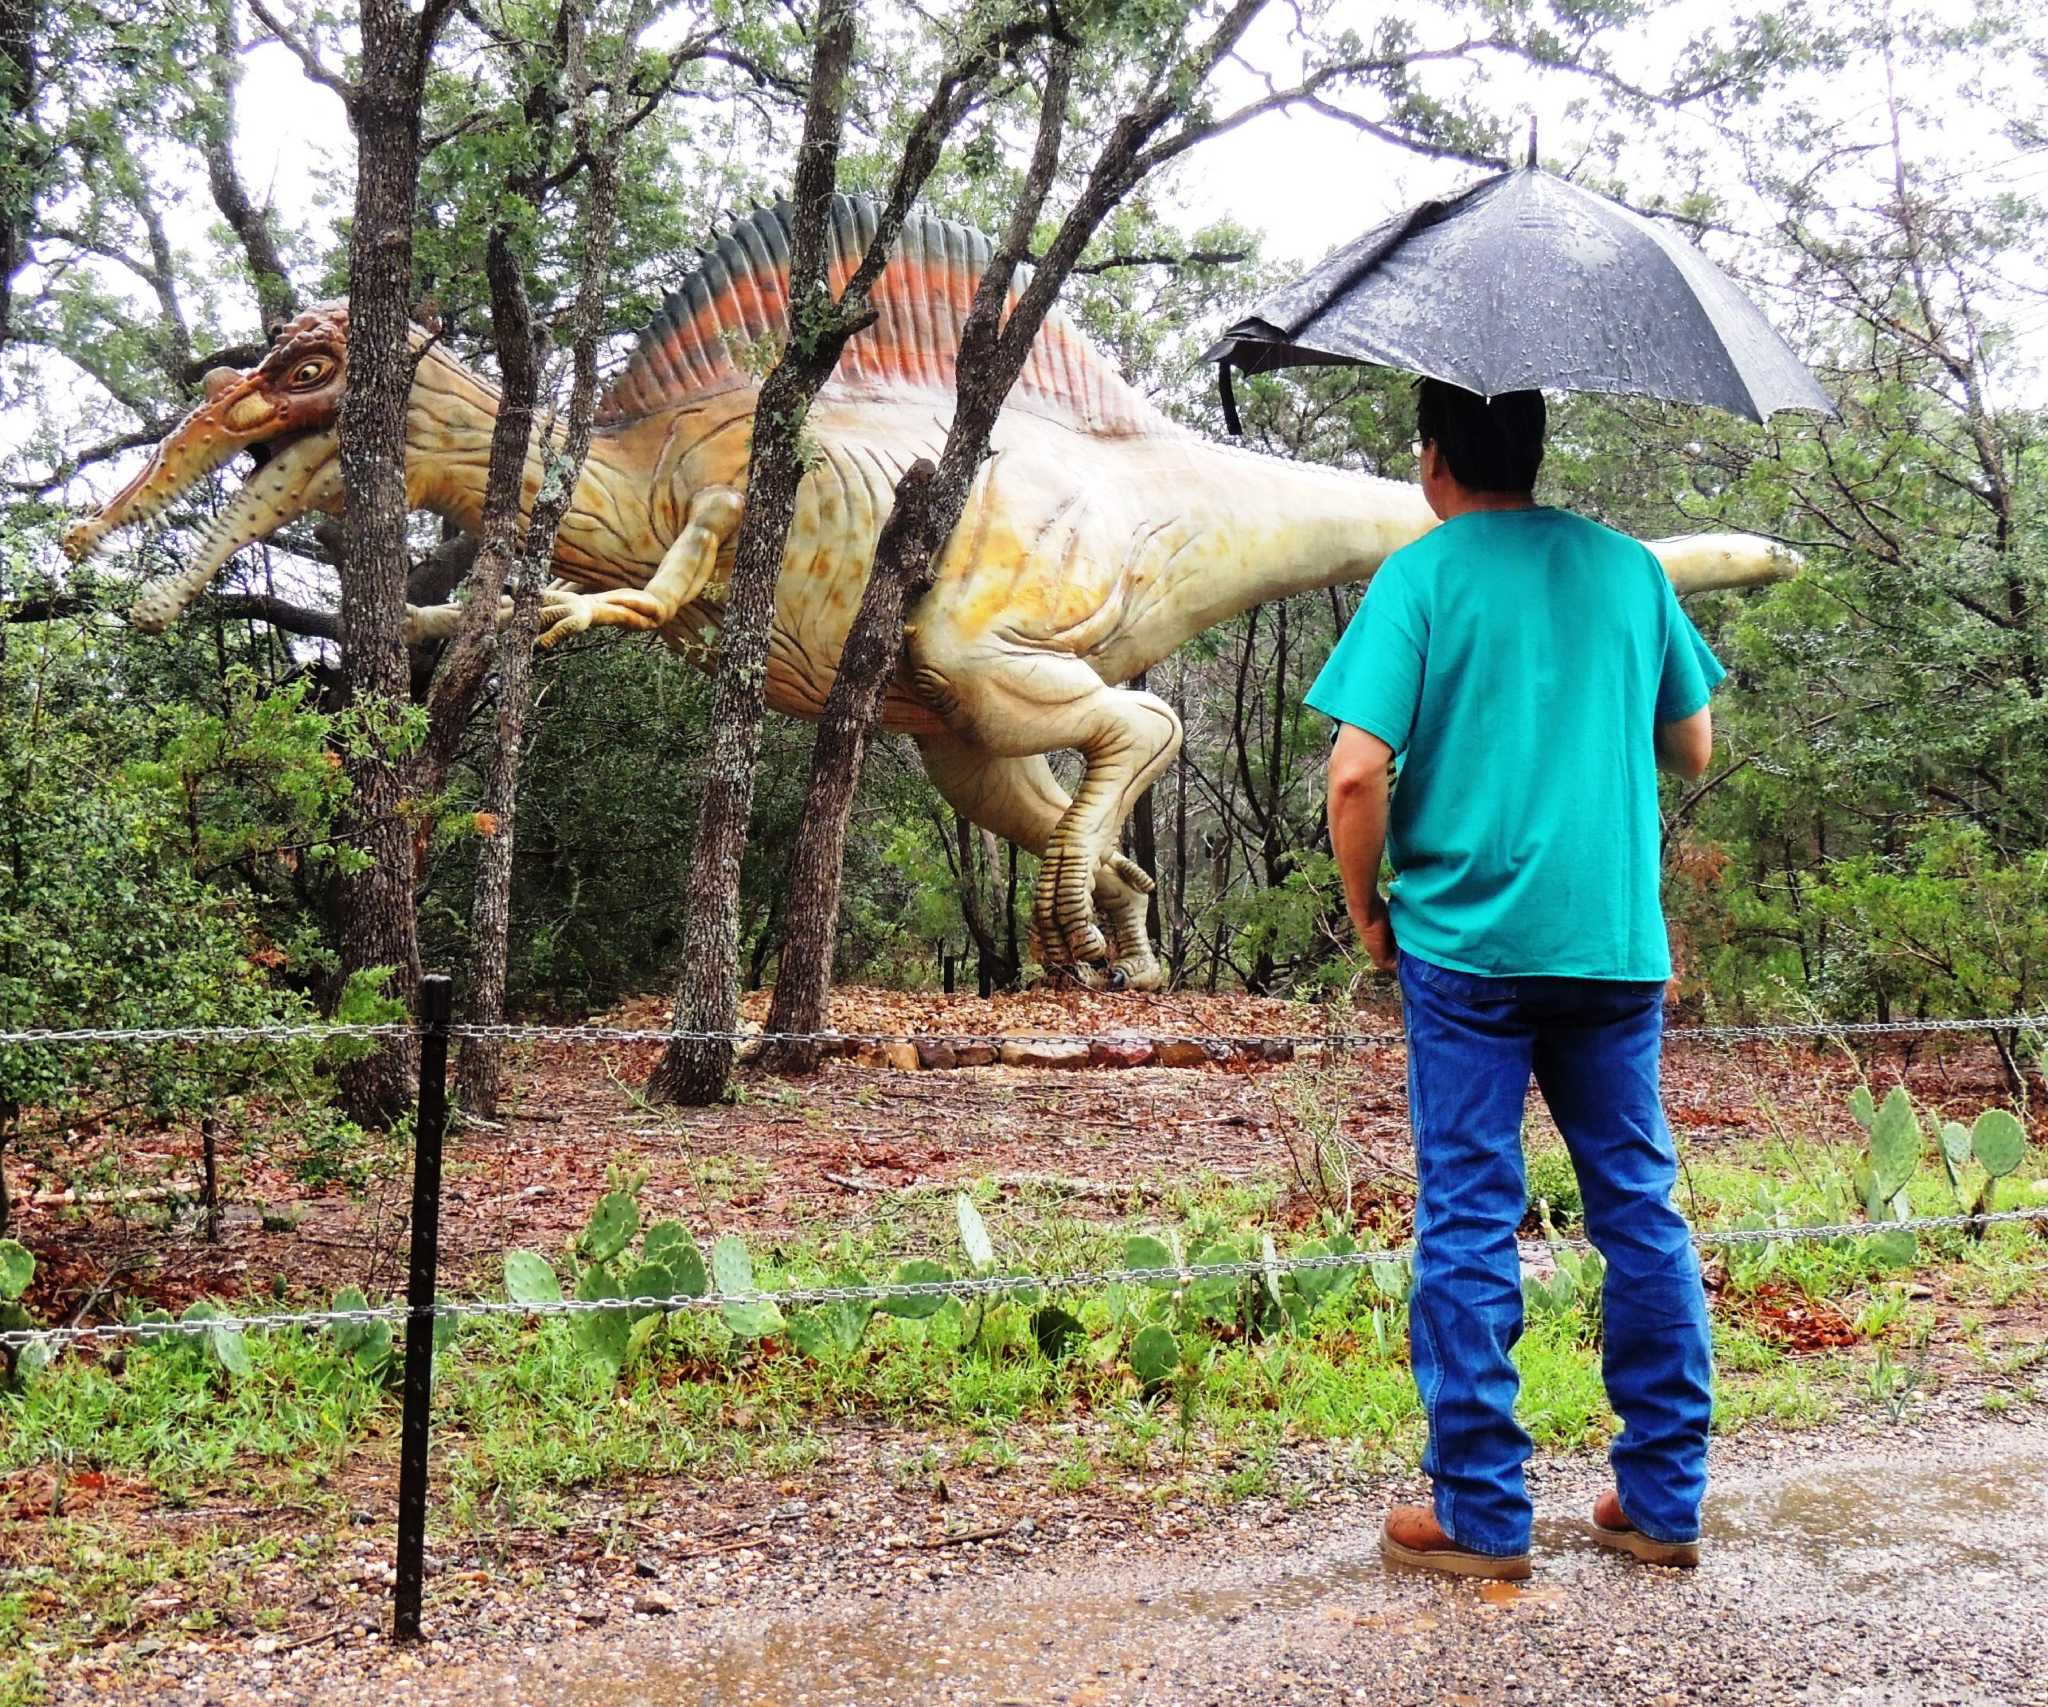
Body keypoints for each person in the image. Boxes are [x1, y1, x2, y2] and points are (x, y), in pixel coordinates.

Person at [1310, 377, 1721, 1581]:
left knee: (1470, 1214)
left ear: (1434, 459)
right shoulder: (1629, 570)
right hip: (1608, 945)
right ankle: (1661, 1504)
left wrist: (1367, 913)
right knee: (1638, 1206)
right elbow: (1690, 742)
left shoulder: (1421, 576)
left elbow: (1352, 774)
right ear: (1535, 451)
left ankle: (1484, 1518)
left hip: (1463, 949)